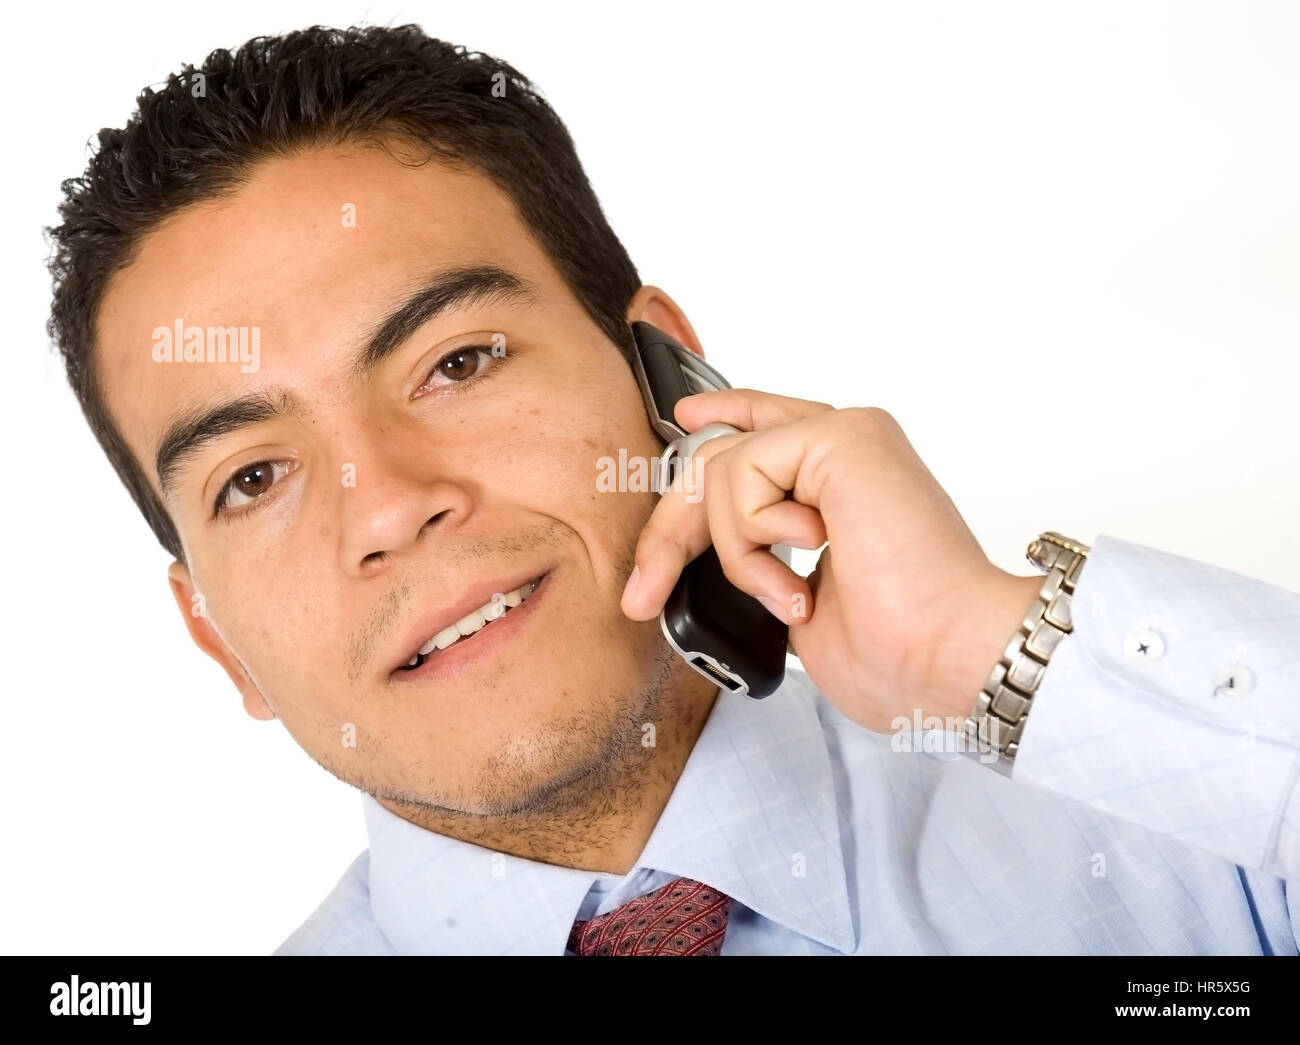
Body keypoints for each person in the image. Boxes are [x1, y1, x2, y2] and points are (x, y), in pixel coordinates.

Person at [45, 24, 1299, 955]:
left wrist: (995, 650)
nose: (383, 506)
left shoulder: (1178, 815)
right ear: (220, 643)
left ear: (672, 386)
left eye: (457, 362)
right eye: (254, 475)